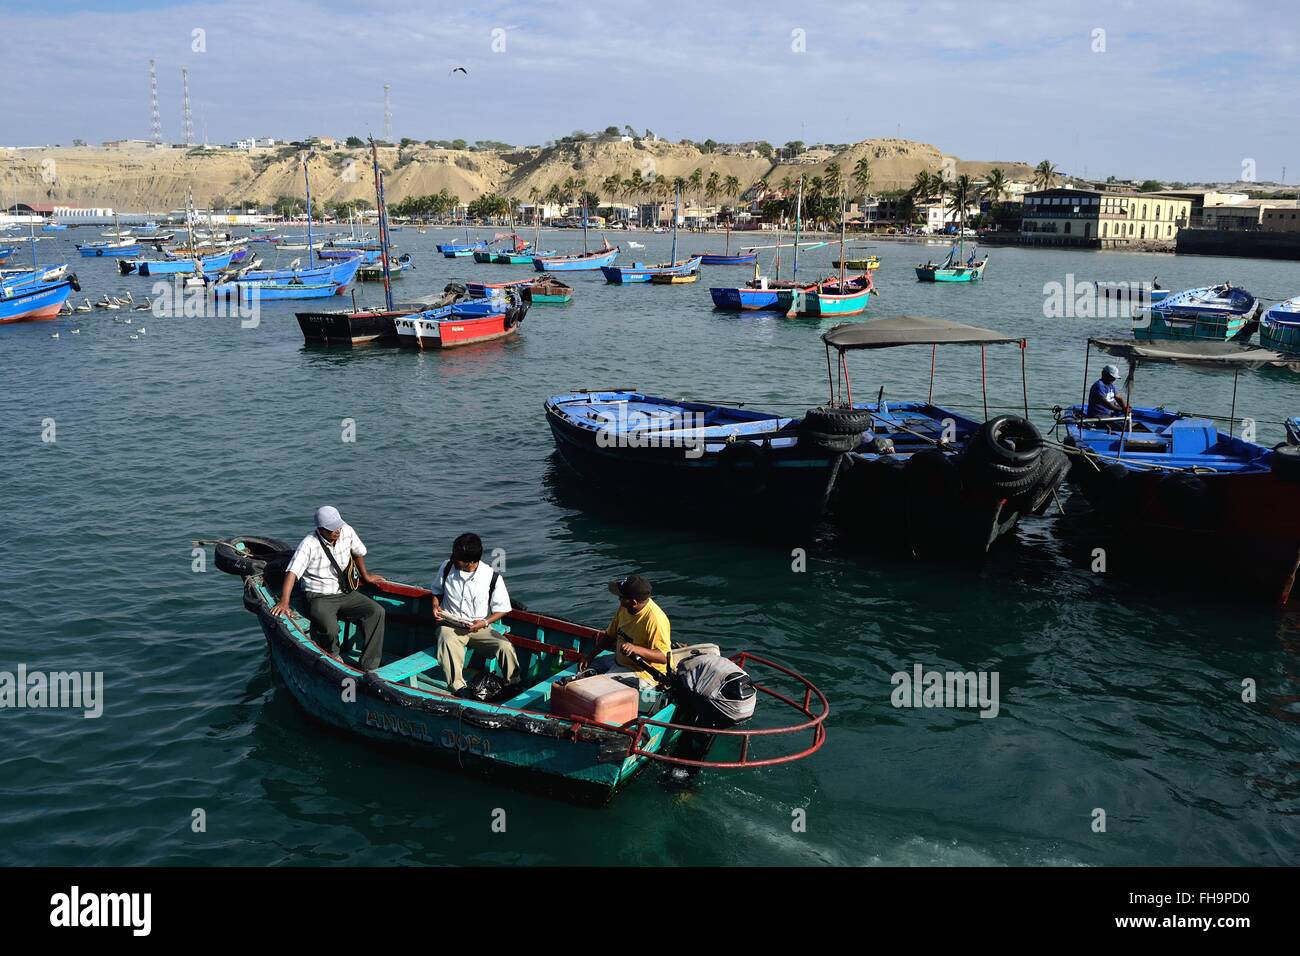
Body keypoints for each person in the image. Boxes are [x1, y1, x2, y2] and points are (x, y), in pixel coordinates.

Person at [270, 506, 386, 670]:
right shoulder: (309, 544)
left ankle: (370, 665)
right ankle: (333, 655)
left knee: (376, 612)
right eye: (332, 529)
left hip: (345, 593)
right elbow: (292, 572)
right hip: (318, 596)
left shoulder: (346, 530)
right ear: (321, 529)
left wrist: (365, 576)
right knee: (330, 628)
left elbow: (358, 552)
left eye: (338, 526)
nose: (337, 531)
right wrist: (284, 601)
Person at [431, 533, 518, 696]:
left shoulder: (491, 577)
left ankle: (514, 683)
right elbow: (437, 591)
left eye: (456, 557)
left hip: (479, 628)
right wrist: (435, 606)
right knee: (447, 638)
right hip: (450, 624)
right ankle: (458, 687)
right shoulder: (446, 567)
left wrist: (484, 622)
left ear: (471, 561)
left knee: (505, 646)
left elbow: (503, 608)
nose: (452, 558)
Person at [590, 575, 672, 696]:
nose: (618, 598)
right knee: (588, 667)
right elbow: (610, 635)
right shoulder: (624, 608)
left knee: (601, 690)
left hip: (641, 673)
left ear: (633, 602)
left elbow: (664, 657)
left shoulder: (655, 620)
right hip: (618, 662)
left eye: (621, 597)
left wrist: (636, 649)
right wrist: (590, 655)